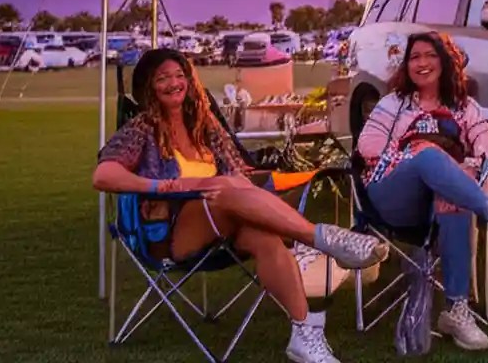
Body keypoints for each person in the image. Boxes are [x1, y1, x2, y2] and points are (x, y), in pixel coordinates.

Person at [93, 48, 384, 363]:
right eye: (162, 78)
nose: (173, 83)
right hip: (172, 232)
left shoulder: (204, 125)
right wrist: (160, 186)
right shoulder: (142, 128)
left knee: (265, 236)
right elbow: (104, 175)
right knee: (224, 186)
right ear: (148, 86)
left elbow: (240, 175)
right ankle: (319, 238)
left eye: (179, 76)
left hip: (224, 221)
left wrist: (262, 184)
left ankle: (304, 335)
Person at [358, 31, 488, 351]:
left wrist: (467, 167)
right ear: (406, 66)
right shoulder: (393, 103)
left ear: (445, 62)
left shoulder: (464, 107)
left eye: (430, 56)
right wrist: (421, 154)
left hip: (440, 203)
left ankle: (456, 310)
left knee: (453, 196)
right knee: (429, 155)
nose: (422, 63)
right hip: (391, 194)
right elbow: (368, 146)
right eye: (415, 57)